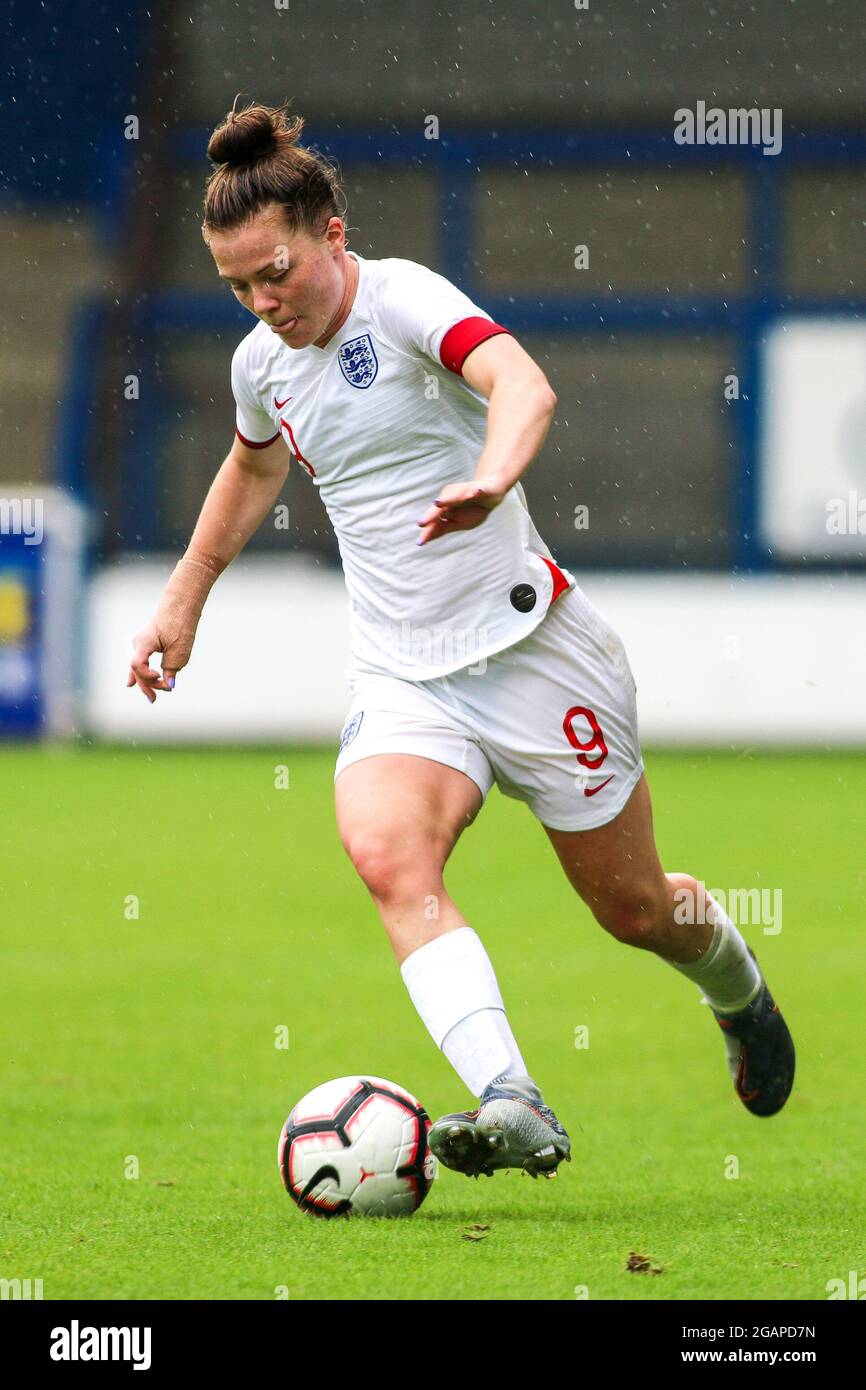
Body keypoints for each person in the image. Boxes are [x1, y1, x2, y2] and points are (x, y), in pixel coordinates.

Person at [127, 100, 795, 1181]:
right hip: (403, 676)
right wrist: (184, 596)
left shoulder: (401, 303)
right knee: (388, 856)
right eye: (237, 285)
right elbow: (253, 465)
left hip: (534, 654)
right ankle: (510, 1092)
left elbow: (521, 384)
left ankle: (735, 986)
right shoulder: (264, 362)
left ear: (329, 236)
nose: (262, 302)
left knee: (632, 909)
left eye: (277, 272)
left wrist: (494, 476)